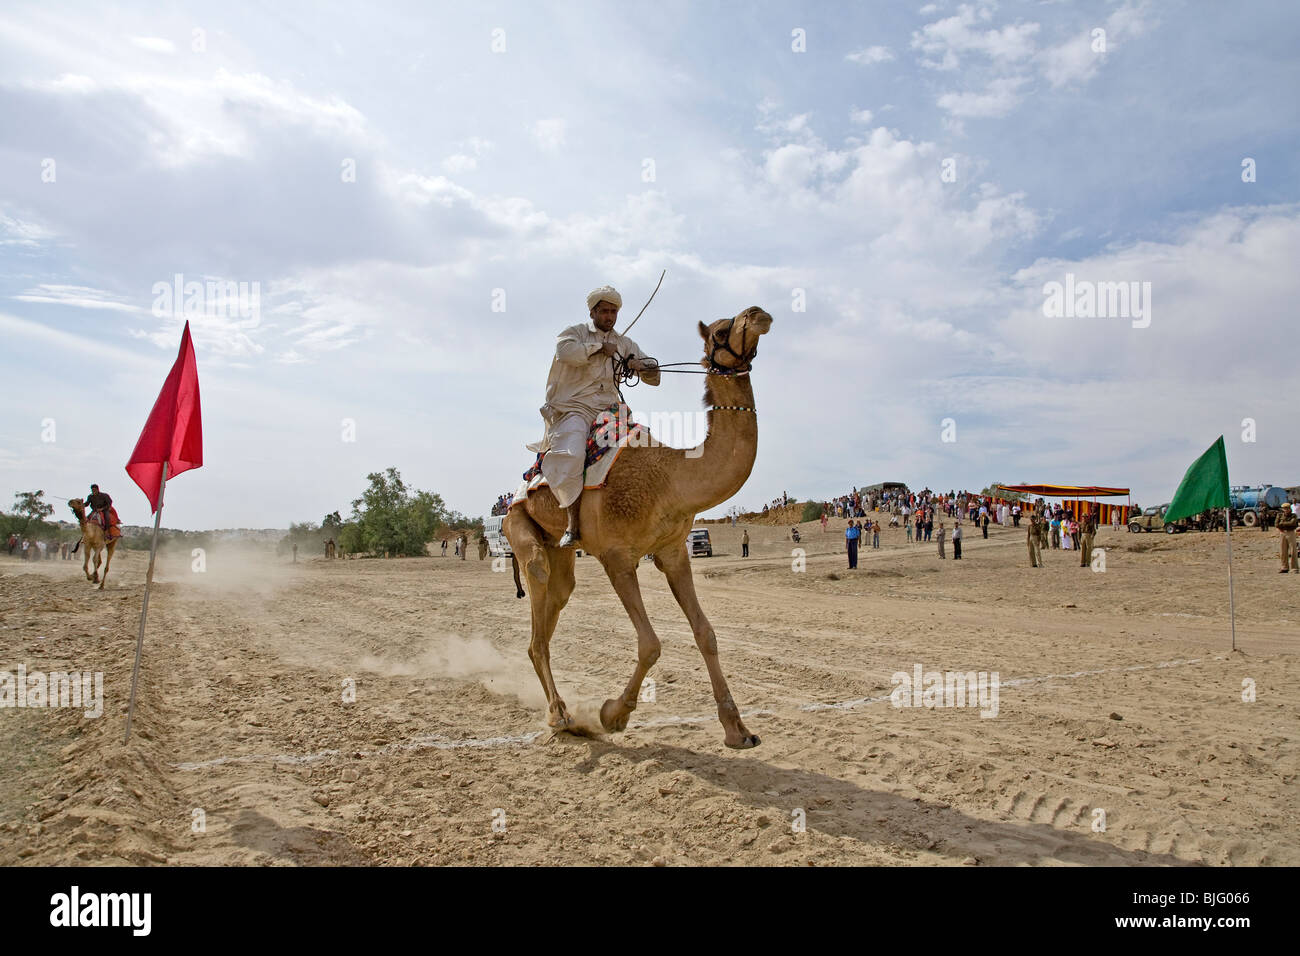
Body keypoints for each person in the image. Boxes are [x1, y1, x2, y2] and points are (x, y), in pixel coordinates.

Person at [529, 286, 661, 548]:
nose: (609, 316)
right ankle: (572, 523)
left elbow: (654, 377)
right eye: (604, 311)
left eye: (613, 311)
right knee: (573, 454)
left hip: (609, 410)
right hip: (575, 408)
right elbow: (565, 353)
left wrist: (641, 366)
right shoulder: (574, 333)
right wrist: (600, 348)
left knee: (643, 444)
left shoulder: (625, 343)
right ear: (592, 312)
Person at [1278, 503, 1299, 573]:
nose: (1286, 510)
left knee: (1293, 551)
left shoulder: (1293, 515)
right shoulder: (1280, 515)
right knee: (1283, 551)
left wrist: (1282, 523)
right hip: (1282, 533)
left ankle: (1294, 568)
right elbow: (1276, 524)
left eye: (1287, 508)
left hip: (1291, 533)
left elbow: (1292, 523)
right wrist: (1284, 524)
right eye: (1284, 509)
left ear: (1290, 509)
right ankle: (1284, 567)